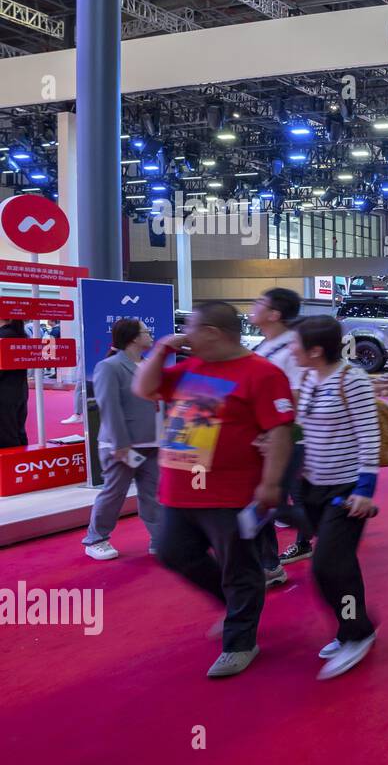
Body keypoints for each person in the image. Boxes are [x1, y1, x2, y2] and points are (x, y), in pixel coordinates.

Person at [134, 302, 295, 678]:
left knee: (239, 567)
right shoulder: (190, 367)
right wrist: (160, 350)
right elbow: (143, 389)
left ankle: (240, 641)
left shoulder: (261, 373)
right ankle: (234, 605)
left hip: (231, 493)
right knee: (173, 552)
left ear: (212, 333)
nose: (185, 334)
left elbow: (280, 430)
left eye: (190, 328)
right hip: (180, 490)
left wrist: (271, 483)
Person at [290, 315, 381, 678]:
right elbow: (303, 428)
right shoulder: (309, 378)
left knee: (326, 565)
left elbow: (368, 436)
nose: (290, 350)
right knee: (340, 564)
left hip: (344, 491)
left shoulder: (352, 380)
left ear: (315, 350)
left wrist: (364, 490)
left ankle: (358, 633)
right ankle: (349, 628)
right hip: (310, 486)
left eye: (296, 344)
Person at [82, 319, 163, 561]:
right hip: (123, 445)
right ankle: (96, 539)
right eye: (146, 332)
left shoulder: (148, 365)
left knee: (153, 493)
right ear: (133, 338)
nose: (150, 335)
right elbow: (110, 407)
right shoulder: (110, 367)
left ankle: (159, 539)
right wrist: (120, 444)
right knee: (114, 493)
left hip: (152, 443)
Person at [249, 287, 304, 581]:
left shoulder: (289, 349)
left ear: (274, 314)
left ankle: (270, 564)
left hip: (282, 439)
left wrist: (273, 434)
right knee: (266, 504)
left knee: (271, 503)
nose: (254, 305)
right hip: (262, 438)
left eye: (260, 302)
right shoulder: (264, 346)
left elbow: (293, 397)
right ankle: (268, 563)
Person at [0, 319, 28, 449]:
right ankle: (24, 464)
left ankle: (12, 467)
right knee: (18, 431)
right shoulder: (20, 334)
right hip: (19, 390)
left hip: (4, 392)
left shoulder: (3, 336)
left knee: (7, 436)